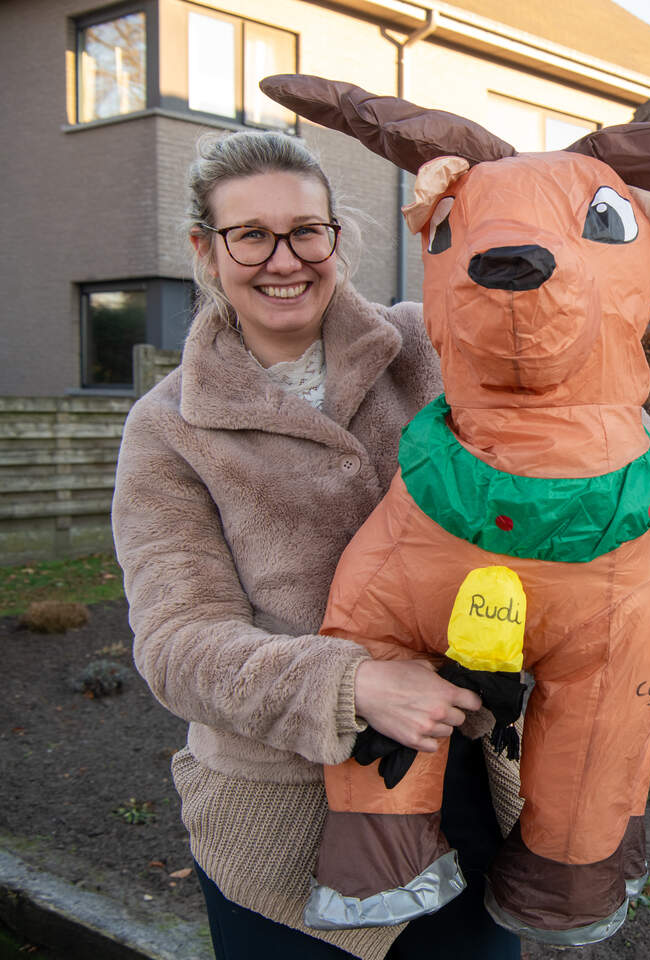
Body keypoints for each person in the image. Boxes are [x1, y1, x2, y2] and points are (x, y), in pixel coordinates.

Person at [111, 130, 521, 960]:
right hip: (282, 825)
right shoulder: (167, 428)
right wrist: (351, 686)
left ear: (337, 236)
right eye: (250, 235)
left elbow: (568, 417)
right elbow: (178, 643)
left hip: (461, 784)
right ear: (205, 248)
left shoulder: (425, 353)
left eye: (306, 230)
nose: (283, 258)